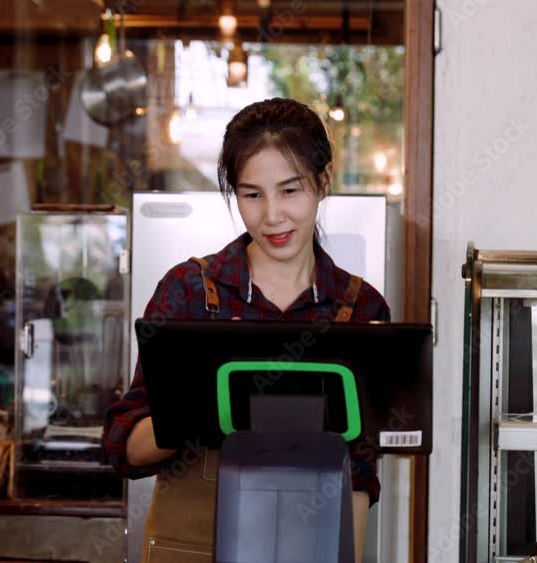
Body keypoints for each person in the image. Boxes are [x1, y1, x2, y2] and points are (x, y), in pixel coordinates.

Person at [102, 97, 390, 563]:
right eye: (252, 194)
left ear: (323, 182)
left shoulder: (359, 308)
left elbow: (359, 470)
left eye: (290, 191)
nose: (272, 215)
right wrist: (201, 410)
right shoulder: (189, 293)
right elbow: (124, 446)